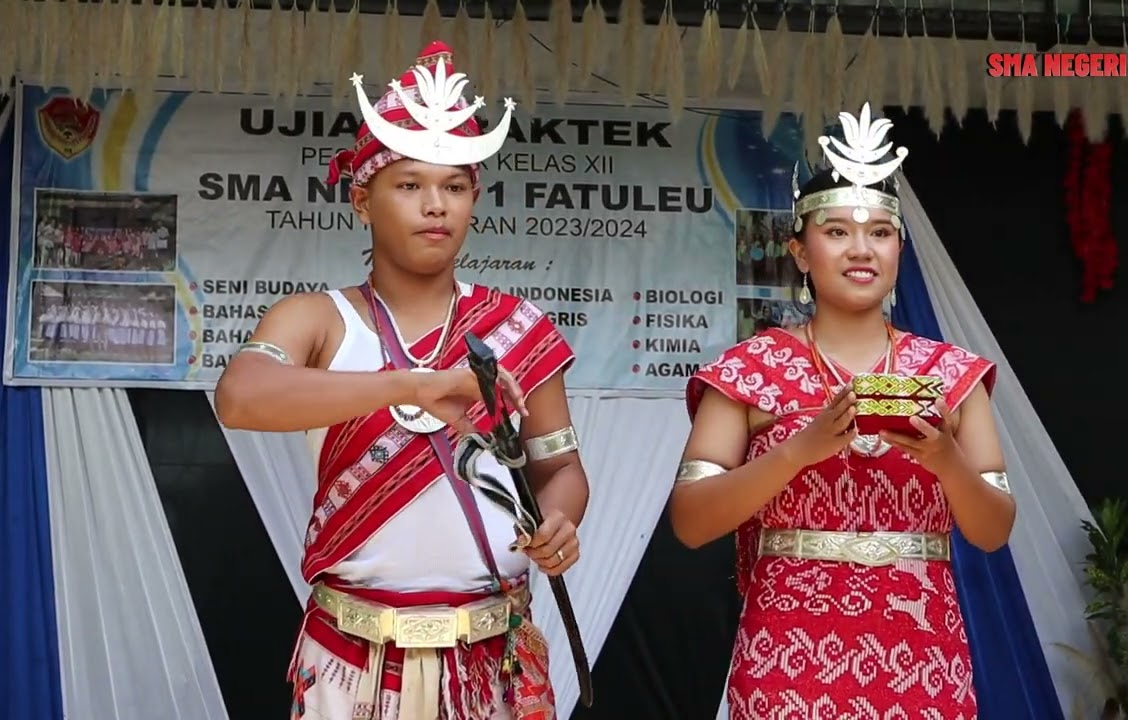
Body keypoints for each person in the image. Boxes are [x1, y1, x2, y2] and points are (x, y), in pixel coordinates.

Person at [214, 41, 590, 720]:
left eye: (454, 187)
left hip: (491, 652)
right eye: (409, 185)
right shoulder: (317, 318)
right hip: (351, 653)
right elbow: (241, 397)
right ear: (362, 200)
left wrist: (560, 519)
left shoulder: (515, 326)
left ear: (474, 199)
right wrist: (409, 386)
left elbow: (559, 466)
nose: (435, 205)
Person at [668, 103, 1016, 719]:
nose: (861, 250)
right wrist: (800, 451)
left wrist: (946, 459)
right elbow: (691, 522)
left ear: (899, 248)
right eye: (836, 232)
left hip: (921, 657)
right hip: (786, 660)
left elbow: (993, 532)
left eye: (879, 233)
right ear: (800, 252)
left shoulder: (953, 376)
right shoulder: (749, 370)